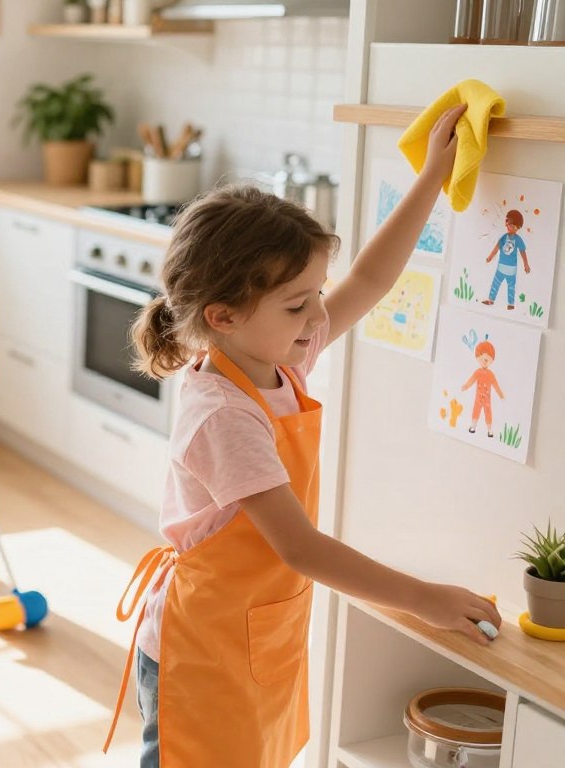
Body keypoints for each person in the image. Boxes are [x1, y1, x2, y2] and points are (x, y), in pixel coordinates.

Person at [104, 105, 501, 768]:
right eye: (298, 304)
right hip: (202, 648)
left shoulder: (277, 360)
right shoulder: (222, 413)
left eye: (316, 293)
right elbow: (301, 548)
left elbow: (371, 279)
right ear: (223, 316)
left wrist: (435, 171)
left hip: (258, 630)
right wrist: (423, 599)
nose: (318, 315)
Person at [482, 208, 530, 310]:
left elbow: (522, 252)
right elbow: (497, 247)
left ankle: (511, 304)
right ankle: (491, 300)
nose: (508, 226)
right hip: (501, 267)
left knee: (511, 286)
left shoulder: (518, 239)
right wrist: (490, 257)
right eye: (507, 223)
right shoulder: (504, 237)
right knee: (495, 283)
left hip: (511, 269)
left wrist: (526, 264)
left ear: (518, 227)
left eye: (511, 225)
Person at [462, 340, 504, 437]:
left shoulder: (490, 374)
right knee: (476, 410)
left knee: (488, 412)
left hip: (486, 400)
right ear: (477, 359)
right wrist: (466, 386)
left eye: (486, 360)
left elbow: (496, 385)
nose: (483, 362)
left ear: (491, 361)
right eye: (481, 359)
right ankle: (473, 426)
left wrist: (501, 395)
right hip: (478, 398)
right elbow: (471, 380)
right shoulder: (477, 372)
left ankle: (489, 429)